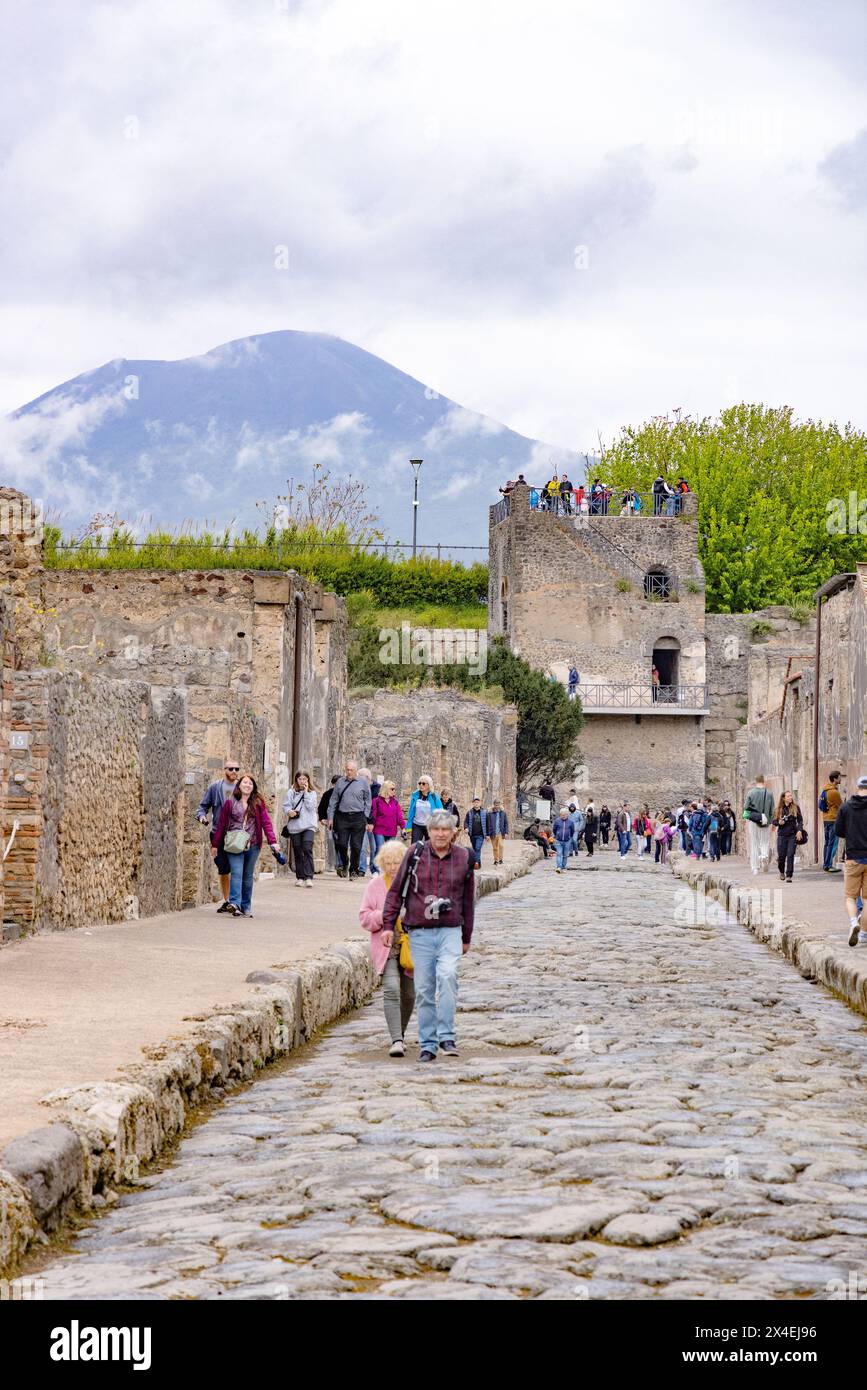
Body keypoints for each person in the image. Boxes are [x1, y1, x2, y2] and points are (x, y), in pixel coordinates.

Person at [382, 811, 475, 1062]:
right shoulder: (415, 854)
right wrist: (388, 926)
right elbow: (395, 892)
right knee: (424, 990)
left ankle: (446, 1035)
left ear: (453, 832)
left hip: (450, 929)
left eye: (446, 829)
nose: (441, 834)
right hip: (420, 932)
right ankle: (428, 1044)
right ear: (429, 831)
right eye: (436, 829)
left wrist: (466, 936)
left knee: (447, 976)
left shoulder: (463, 857)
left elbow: (468, 900)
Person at [359, 838, 416, 1057]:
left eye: (397, 863)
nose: (393, 867)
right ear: (382, 863)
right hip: (386, 947)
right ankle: (397, 1039)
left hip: (409, 947)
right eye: (389, 863)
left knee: (409, 995)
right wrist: (384, 916)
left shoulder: (412, 884)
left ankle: (399, 1032)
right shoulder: (374, 886)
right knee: (391, 988)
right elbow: (364, 917)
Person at [213, 773, 284, 917]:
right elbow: (221, 824)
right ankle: (235, 904)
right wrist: (215, 844)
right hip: (234, 844)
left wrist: (273, 842)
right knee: (237, 873)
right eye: (245, 783)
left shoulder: (258, 803)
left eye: (250, 783)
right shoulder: (230, 802)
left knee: (247, 876)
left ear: (253, 787)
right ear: (239, 785)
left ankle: (246, 906)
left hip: (253, 844)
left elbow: (266, 823)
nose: (247, 785)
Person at [195, 758, 240, 912]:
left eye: (236, 769)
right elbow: (202, 807)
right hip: (217, 834)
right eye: (230, 769)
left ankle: (235, 900)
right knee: (223, 868)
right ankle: (227, 900)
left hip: (236, 834)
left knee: (236, 867)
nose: (234, 772)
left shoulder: (242, 788)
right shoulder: (215, 787)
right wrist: (201, 817)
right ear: (224, 770)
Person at [327, 760, 372, 879]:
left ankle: (354, 870)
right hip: (343, 817)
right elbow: (333, 801)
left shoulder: (363, 782)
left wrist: (365, 815)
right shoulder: (340, 782)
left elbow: (368, 800)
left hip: (358, 817)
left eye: (351, 770)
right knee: (341, 844)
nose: (349, 772)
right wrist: (330, 818)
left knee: (356, 846)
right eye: (347, 770)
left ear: (356, 770)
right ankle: (345, 863)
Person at [836, 775, 867, 946]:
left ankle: (854, 922)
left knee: (850, 897)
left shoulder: (846, 807)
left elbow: (838, 831)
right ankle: (863, 934)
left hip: (853, 856)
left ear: (858, 787)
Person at [282, 770, 318, 887]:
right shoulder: (291, 792)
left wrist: (306, 792)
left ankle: (308, 877)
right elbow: (286, 806)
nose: (302, 781)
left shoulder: (312, 793)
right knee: (298, 852)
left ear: (308, 780)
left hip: (309, 825)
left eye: (305, 779)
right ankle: (300, 877)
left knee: (307, 848)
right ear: (296, 780)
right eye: (300, 779)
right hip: (295, 827)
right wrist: (289, 812)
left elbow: (311, 807)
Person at [743, 774, 775, 875]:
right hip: (766, 820)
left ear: (755, 781)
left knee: (754, 843)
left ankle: (755, 868)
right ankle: (764, 856)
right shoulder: (769, 793)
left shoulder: (751, 793)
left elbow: (746, 807)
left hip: (753, 820)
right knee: (764, 842)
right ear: (763, 781)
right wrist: (771, 821)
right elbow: (772, 809)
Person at [370, 780, 406, 865]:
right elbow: (373, 815)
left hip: (391, 830)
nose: (394, 791)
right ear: (386, 789)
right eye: (392, 789)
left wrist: (403, 828)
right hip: (379, 830)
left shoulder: (395, 802)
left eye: (394, 789)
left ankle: (386, 869)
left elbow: (399, 816)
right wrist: (370, 825)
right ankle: (376, 870)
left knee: (389, 851)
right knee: (379, 849)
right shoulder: (376, 801)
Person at [772, 791, 804, 883]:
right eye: (788, 796)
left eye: (791, 796)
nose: (791, 797)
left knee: (790, 855)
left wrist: (799, 830)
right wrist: (779, 823)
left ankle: (789, 875)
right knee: (781, 857)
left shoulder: (795, 807)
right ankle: (782, 872)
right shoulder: (778, 809)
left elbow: (800, 821)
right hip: (782, 835)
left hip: (792, 835)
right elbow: (774, 821)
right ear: (783, 798)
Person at [406, 776, 443, 844]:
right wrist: (408, 827)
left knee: (430, 848)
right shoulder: (415, 796)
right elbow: (411, 812)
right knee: (415, 847)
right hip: (417, 825)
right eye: (419, 783)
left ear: (429, 785)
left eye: (423, 783)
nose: (421, 785)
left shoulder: (434, 797)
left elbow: (441, 812)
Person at [821, 770, 844, 872]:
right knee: (833, 843)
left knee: (827, 843)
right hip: (833, 819)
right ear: (835, 779)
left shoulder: (825, 790)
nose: (840, 779)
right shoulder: (834, 792)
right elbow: (842, 806)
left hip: (826, 819)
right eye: (839, 777)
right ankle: (829, 865)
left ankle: (826, 864)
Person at [319, 775, 342, 871]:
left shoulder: (344, 794)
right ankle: (332, 864)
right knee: (331, 841)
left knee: (342, 842)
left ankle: (341, 863)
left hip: (342, 821)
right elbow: (321, 807)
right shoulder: (327, 794)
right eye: (337, 783)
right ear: (333, 784)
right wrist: (322, 818)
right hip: (330, 821)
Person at [357, 767, 378, 875]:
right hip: (362, 822)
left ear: (367, 778)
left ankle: (374, 868)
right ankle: (362, 869)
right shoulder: (358, 787)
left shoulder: (377, 789)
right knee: (362, 846)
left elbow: (376, 808)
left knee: (374, 847)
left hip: (375, 823)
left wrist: (372, 823)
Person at [464, 797, 488, 870]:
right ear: (473, 803)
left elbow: (488, 823)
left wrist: (488, 835)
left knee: (477, 848)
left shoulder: (484, 813)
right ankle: (479, 863)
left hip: (481, 835)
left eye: (478, 802)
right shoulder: (470, 812)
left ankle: (476, 863)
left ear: (480, 803)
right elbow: (466, 822)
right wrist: (466, 828)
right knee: (475, 849)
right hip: (472, 834)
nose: (476, 803)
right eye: (475, 802)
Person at [553, 806, 575, 873]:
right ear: (560, 815)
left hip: (567, 841)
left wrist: (569, 837)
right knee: (559, 853)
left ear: (567, 815)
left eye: (565, 815)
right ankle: (559, 867)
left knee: (565, 855)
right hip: (558, 840)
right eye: (562, 815)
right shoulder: (557, 821)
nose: (563, 816)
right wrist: (557, 834)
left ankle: (563, 866)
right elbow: (554, 829)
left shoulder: (571, 822)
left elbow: (572, 831)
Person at [487, 799, 509, 865]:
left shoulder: (503, 813)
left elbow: (506, 823)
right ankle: (496, 860)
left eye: (498, 804)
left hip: (500, 832)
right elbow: (488, 824)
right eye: (496, 805)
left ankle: (500, 859)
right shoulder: (490, 813)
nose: (497, 806)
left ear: (500, 805)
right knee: (495, 847)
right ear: (494, 805)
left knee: (501, 845)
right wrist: (487, 834)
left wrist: (506, 832)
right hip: (493, 833)